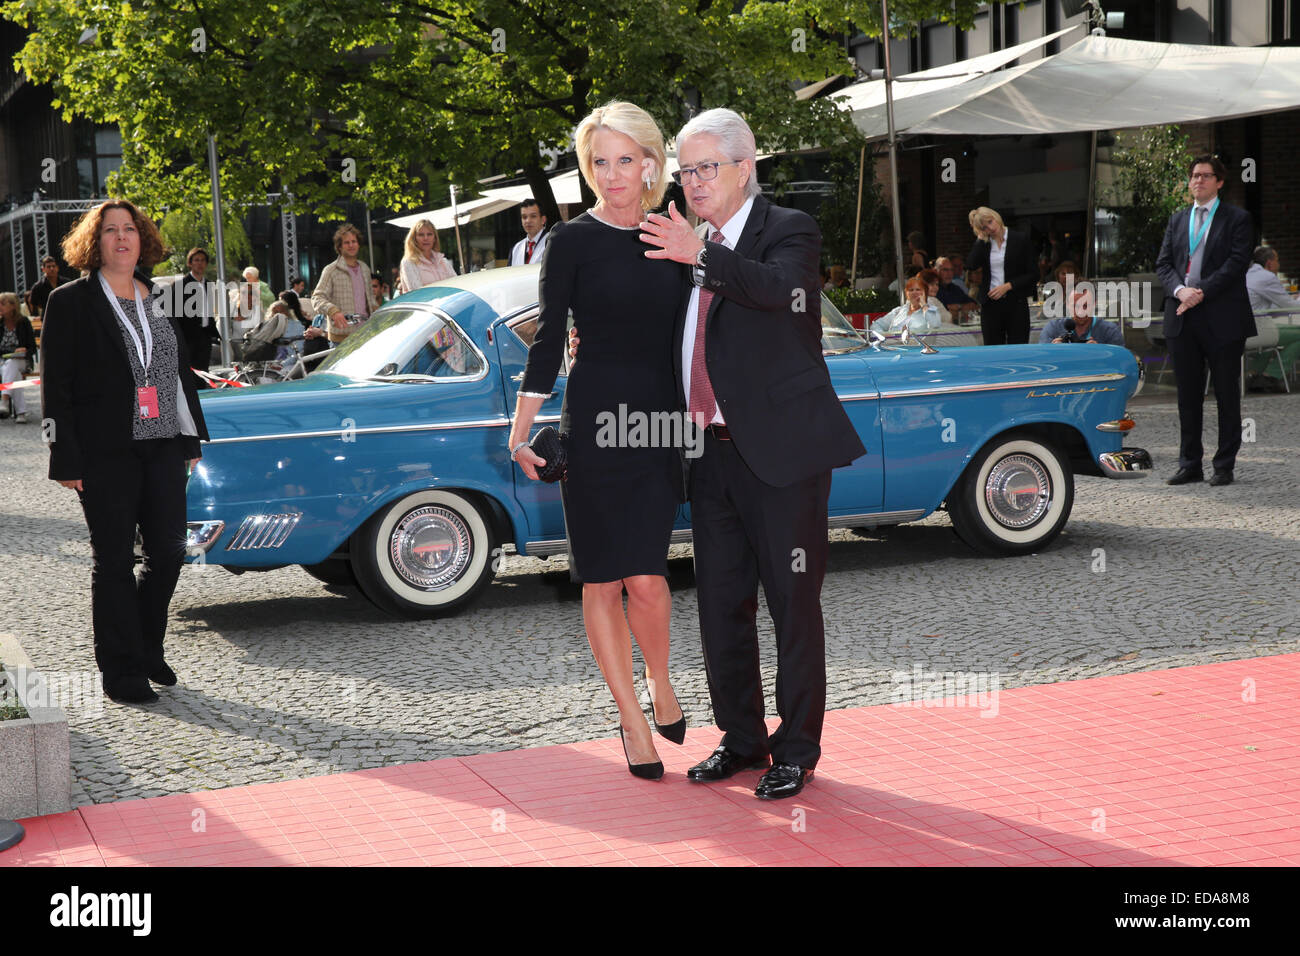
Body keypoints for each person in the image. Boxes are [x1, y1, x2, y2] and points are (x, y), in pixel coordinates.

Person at [640, 108, 866, 800]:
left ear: (746, 167)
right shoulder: (689, 241)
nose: (694, 181)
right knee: (720, 608)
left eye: (706, 167)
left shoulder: (786, 231)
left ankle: (796, 749)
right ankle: (742, 740)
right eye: (685, 170)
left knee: (793, 605)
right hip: (709, 454)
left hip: (784, 457)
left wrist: (700, 255)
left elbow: (783, 294)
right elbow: (678, 341)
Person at [507, 102, 685, 782]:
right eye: (599, 162)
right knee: (602, 575)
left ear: (649, 163)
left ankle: (661, 681)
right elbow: (550, 338)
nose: (612, 175)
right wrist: (521, 431)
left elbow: (700, 331)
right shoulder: (571, 242)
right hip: (595, 423)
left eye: (625, 160)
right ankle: (631, 718)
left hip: (660, 425)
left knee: (649, 578)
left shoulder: (675, 233)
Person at [39, 200, 209, 704]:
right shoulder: (70, 300)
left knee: (171, 553)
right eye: (110, 230)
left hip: (161, 445)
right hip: (103, 451)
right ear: (95, 242)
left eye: (128, 229)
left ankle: (145, 646)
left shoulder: (157, 295)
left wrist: (190, 436)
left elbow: (176, 370)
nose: (120, 238)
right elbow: (56, 383)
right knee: (113, 560)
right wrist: (64, 456)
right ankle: (121, 671)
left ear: (142, 239)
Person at [1155, 154, 1255, 488]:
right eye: (1194, 175)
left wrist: (1201, 292)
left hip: (1222, 318)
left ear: (1219, 182)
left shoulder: (1237, 219)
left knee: (1226, 394)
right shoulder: (1177, 219)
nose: (1198, 180)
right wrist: (1181, 291)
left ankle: (1224, 464)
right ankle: (1189, 463)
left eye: (1206, 176)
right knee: (1187, 395)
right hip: (1183, 317)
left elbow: (1237, 262)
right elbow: (1164, 265)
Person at [965, 206, 1037, 345]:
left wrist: (1008, 286)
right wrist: (980, 239)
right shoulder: (984, 244)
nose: (990, 228)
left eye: (990, 222)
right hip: (990, 304)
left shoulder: (1020, 239)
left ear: (996, 217)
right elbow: (970, 265)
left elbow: (1034, 274)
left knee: (1018, 347)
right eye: (984, 228)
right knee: (992, 350)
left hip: (1016, 302)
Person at [311, 223, 380, 344]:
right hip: (341, 339)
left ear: (358, 244)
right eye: (346, 242)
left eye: (354, 241)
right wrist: (334, 312)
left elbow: (370, 300)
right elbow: (317, 298)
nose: (351, 245)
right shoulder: (331, 270)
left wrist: (378, 313)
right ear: (340, 247)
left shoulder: (365, 268)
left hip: (366, 333)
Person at [175, 247, 219, 377]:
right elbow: (173, 314)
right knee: (189, 374)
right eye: (196, 260)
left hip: (205, 337)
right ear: (190, 263)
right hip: (188, 337)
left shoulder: (209, 285)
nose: (199, 263)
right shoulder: (180, 286)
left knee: (204, 373)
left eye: (203, 260)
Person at [1039, 283, 1125, 345]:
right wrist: (1052, 352)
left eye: (1085, 306)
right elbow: (1041, 360)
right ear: (1067, 304)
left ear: (1094, 304)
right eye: (1075, 306)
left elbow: (1120, 363)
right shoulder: (1053, 329)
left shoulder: (1110, 331)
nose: (1080, 312)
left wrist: (1100, 354)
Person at [0, 292, 38, 422]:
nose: (0, 306)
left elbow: (32, 347)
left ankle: (4, 399)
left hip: (23, 361)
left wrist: (24, 350)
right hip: (3, 361)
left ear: (13, 306)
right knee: (11, 368)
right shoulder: (0, 324)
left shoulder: (23, 322)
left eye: (2, 304)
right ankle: (21, 412)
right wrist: (11, 350)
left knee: (12, 364)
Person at [397, 219, 456, 294]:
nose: (426, 238)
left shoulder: (443, 261)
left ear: (434, 238)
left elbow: (457, 288)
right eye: (421, 235)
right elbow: (417, 294)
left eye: (429, 234)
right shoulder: (408, 263)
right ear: (414, 239)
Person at [872, 277, 941, 334]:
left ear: (925, 293)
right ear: (906, 294)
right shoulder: (898, 311)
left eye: (918, 289)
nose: (914, 292)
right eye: (911, 290)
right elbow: (876, 325)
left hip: (916, 348)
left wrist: (923, 305)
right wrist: (883, 336)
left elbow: (935, 326)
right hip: (891, 347)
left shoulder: (932, 311)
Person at [508, 199, 555, 266]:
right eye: (524, 217)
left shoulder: (552, 243)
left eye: (533, 216)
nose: (528, 221)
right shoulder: (515, 249)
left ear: (543, 220)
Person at [935, 256, 976, 321]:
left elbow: (973, 305)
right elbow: (941, 314)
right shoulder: (933, 290)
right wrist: (962, 309)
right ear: (936, 271)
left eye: (951, 270)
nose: (949, 273)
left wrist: (958, 307)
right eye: (945, 270)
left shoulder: (955, 288)